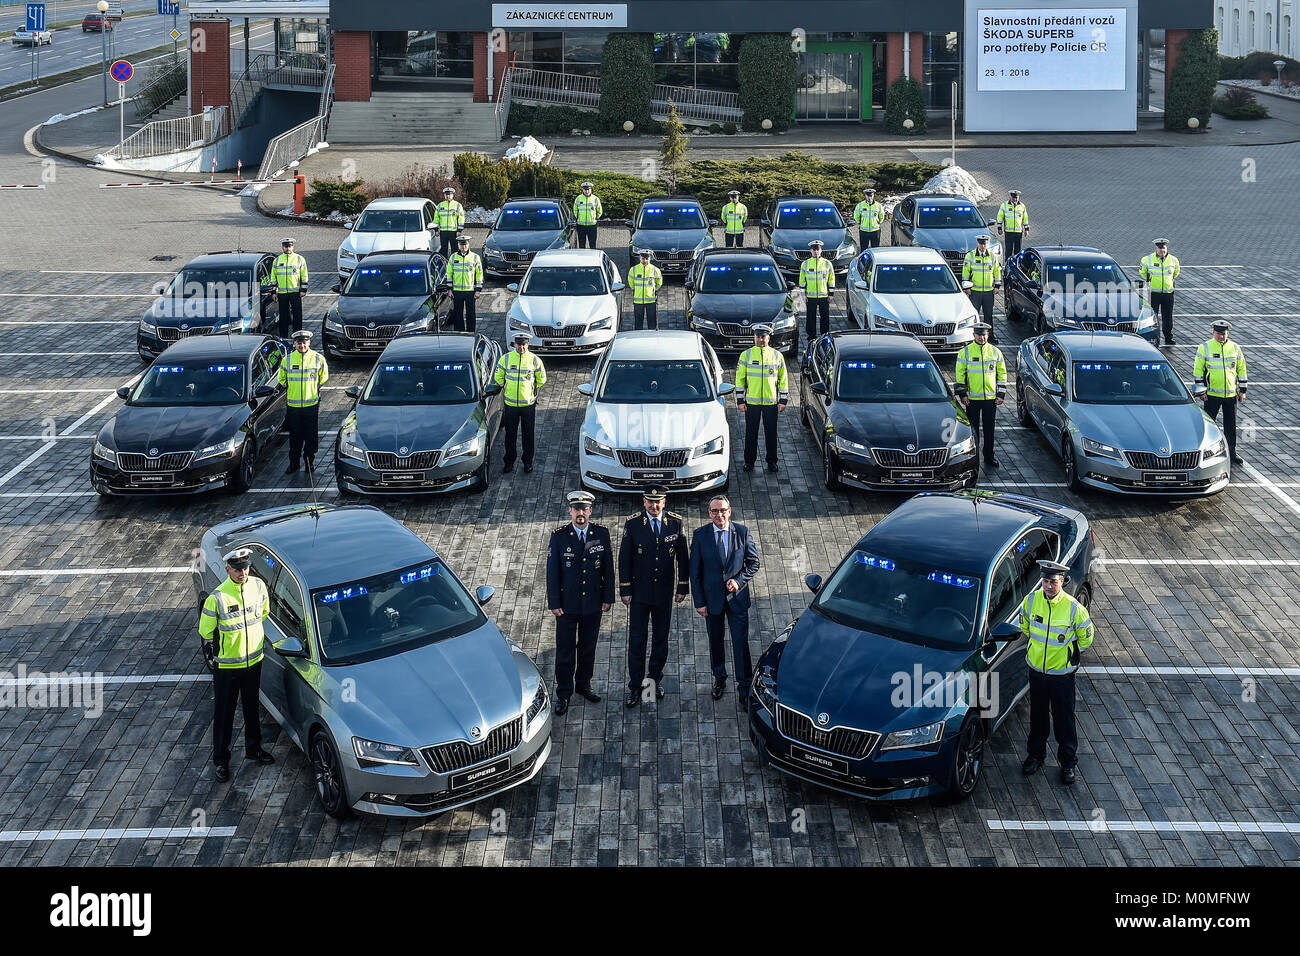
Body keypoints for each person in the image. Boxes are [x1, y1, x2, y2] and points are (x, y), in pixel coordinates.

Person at [199, 548, 274, 781]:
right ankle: (221, 761)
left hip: (254, 661)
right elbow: (205, 630)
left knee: (252, 709)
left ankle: (254, 749)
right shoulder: (217, 598)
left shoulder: (259, 586)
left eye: (246, 567)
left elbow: (263, 613)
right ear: (228, 569)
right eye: (238, 568)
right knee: (224, 715)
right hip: (227, 668)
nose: (243, 572)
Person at [1019, 560, 1094, 785]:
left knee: (1064, 721)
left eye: (1053, 581)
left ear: (1062, 581)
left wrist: (1070, 653)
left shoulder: (1074, 609)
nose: (1049, 586)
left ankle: (1068, 763)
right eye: (1045, 581)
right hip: (1037, 672)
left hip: (1062, 675)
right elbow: (1025, 627)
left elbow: (1087, 638)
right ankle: (1035, 756)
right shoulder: (1031, 602)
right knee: (1037, 718)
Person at [618, 486, 689, 708]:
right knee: (637, 641)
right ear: (643, 501)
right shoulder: (633, 524)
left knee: (660, 640)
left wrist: (682, 587)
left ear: (664, 502)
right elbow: (624, 559)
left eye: (657, 502)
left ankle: (653, 682)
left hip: (663, 595)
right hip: (639, 595)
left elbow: (683, 558)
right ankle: (635, 686)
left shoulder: (675, 523)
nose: (654, 506)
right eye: (650, 501)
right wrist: (625, 589)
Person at [689, 496, 760, 710]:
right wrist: (699, 602)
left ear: (730, 511)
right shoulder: (700, 535)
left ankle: (744, 686)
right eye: (714, 511)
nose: (719, 515)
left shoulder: (743, 532)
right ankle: (719, 678)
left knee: (741, 644)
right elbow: (695, 572)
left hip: (737, 600)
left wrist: (738, 581)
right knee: (715, 642)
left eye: (722, 510)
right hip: (712, 602)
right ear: (709, 513)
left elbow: (754, 563)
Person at [547, 490, 614, 715]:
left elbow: (608, 569)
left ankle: (583, 685)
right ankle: (563, 693)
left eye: (584, 509)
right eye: (576, 509)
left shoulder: (601, 534)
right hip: (566, 606)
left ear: (591, 511)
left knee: (588, 648)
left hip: (593, 604)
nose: (580, 513)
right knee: (565, 651)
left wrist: (607, 598)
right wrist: (554, 602)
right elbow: (552, 573)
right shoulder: (559, 537)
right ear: (570, 511)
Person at [1193, 319, 1248, 465]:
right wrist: (1201, 391)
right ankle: (1206, 452)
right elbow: (1198, 370)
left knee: (1231, 425)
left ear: (1227, 333)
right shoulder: (1204, 347)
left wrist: (1242, 390)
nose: (1220, 336)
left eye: (1223, 334)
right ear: (1213, 333)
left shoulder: (1235, 348)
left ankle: (1231, 452)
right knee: (1208, 426)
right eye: (1218, 333)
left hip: (1230, 395)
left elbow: (1241, 368)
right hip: (1211, 395)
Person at [735, 324, 788, 473]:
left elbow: (783, 379)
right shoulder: (746, 355)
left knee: (771, 434)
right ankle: (749, 462)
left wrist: (783, 400)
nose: (760, 339)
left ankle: (772, 461)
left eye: (763, 337)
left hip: (771, 403)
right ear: (754, 337)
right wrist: (740, 400)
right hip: (751, 403)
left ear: (768, 338)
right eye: (757, 336)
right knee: (751, 434)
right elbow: (740, 379)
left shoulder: (777, 356)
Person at [954, 322, 1006, 469]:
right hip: (972, 400)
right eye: (979, 335)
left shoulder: (996, 352)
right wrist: (962, 395)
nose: (982, 338)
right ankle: (973, 458)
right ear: (974, 335)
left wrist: (1001, 394)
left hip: (990, 400)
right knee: (973, 431)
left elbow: (1002, 374)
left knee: (990, 430)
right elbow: (960, 375)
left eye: (984, 335)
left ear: (988, 335)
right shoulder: (965, 352)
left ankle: (989, 456)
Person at [494, 331, 546, 473]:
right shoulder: (505, 359)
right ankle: (509, 461)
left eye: (524, 345)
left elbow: (542, 379)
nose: (521, 347)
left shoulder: (535, 360)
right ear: (514, 344)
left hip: (528, 405)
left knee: (528, 436)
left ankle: (527, 462)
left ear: (527, 345)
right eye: (519, 344)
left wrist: (530, 390)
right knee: (510, 435)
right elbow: (498, 377)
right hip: (510, 406)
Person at [278, 329, 329, 473]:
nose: (302, 346)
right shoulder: (287, 360)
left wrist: (313, 388)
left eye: (304, 343)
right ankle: (294, 463)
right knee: (295, 437)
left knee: (311, 437)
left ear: (309, 342)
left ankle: (309, 463)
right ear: (294, 344)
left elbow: (324, 377)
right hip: (293, 406)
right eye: (299, 343)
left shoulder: (318, 358)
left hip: (311, 405)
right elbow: (281, 378)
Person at [1138, 238, 1181, 347]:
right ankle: (1151, 337)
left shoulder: (1174, 260)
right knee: (1151, 316)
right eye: (1160, 248)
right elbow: (1143, 273)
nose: (1162, 251)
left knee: (1168, 317)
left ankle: (1168, 337)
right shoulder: (1147, 259)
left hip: (1168, 293)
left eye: (1164, 248)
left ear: (1167, 248)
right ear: (1156, 248)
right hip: (1153, 293)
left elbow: (1176, 273)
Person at [798, 239, 834, 359]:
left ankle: (824, 336)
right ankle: (811, 338)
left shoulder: (827, 264)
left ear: (821, 250)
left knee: (825, 317)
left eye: (817, 249)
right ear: (811, 251)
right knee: (810, 317)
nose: (816, 251)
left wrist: (831, 294)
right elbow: (802, 281)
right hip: (811, 297)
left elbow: (831, 279)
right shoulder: (805, 264)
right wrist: (803, 295)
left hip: (824, 296)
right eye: (814, 249)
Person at [961, 234, 1001, 336]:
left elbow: (997, 271)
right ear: (977, 243)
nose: (983, 246)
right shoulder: (970, 255)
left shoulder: (992, 256)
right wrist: (967, 288)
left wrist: (997, 286)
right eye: (981, 243)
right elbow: (965, 272)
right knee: (974, 315)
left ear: (987, 244)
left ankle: (990, 335)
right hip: (975, 292)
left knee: (988, 315)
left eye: (985, 244)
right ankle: (972, 335)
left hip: (988, 292)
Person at [446, 234, 483, 332]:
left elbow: (479, 275)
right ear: (458, 245)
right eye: (462, 245)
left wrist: (478, 290)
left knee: (471, 314)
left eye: (465, 244)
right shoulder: (453, 257)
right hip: (457, 291)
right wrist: (449, 289)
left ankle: (471, 333)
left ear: (469, 245)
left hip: (470, 291)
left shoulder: (475, 257)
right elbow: (449, 274)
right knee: (458, 314)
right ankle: (460, 333)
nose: (464, 247)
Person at [272, 237, 308, 338]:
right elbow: (273, 277)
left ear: (293, 247)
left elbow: (304, 276)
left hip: (295, 292)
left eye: (289, 246)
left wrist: (303, 290)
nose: (288, 248)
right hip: (282, 293)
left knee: (297, 315)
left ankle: (297, 335)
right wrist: (273, 292)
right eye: (286, 246)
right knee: (283, 316)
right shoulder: (277, 260)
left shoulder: (299, 259)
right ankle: (283, 336)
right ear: (282, 247)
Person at [628, 249, 664, 330]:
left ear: (650, 258)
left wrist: (654, 290)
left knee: (652, 324)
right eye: (643, 258)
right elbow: (631, 282)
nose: (645, 260)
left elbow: (659, 282)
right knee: (638, 323)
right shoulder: (633, 270)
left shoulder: (655, 270)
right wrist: (636, 290)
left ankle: (652, 338)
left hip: (651, 301)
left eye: (646, 259)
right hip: (638, 301)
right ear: (640, 258)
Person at [995, 189, 1029, 258]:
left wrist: (1026, 229)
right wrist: (999, 228)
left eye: (1016, 197)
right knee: (1008, 251)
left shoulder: (1022, 206)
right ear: (1010, 197)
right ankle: (1007, 265)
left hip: (1018, 232)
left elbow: (1025, 218)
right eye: (1013, 197)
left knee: (1018, 252)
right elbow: (1000, 217)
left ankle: (1016, 266)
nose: (1015, 199)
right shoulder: (1004, 205)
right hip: (1008, 232)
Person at [435, 187, 465, 259]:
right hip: (443, 232)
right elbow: (436, 218)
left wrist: (459, 230)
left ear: (453, 195)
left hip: (453, 232)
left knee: (454, 249)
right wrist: (436, 230)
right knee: (443, 249)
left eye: (449, 194)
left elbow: (461, 218)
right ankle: (444, 264)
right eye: (446, 194)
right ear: (444, 195)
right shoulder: (440, 205)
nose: (448, 196)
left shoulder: (457, 205)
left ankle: (454, 262)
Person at [573, 181, 603, 249]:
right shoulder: (578, 198)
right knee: (581, 244)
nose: (587, 191)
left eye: (588, 189)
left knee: (592, 245)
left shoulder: (595, 199)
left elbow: (599, 210)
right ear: (583, 190)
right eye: (585, 189)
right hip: (581, 225)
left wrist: (596, 218)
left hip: (592, 225)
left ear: (591, 190)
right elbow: (575, 209)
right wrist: (577, 217)